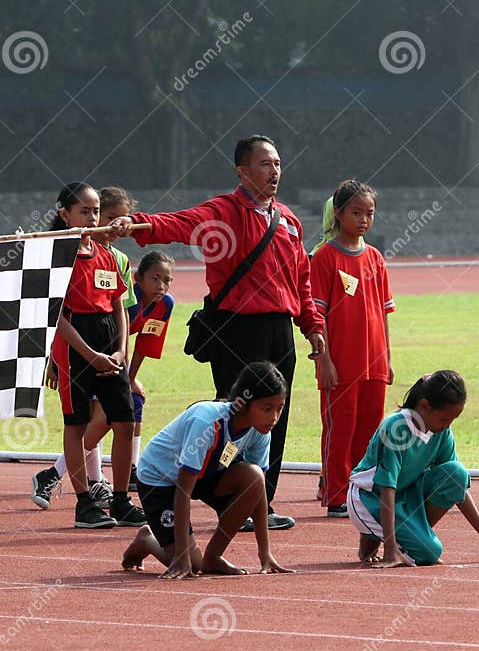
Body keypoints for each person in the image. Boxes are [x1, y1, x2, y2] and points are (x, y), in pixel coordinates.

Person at [109, 135, 326, 530]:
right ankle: (230, 500)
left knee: (274, 416)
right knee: (235, 418)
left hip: (280, 331)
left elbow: (302, 281)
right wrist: (136, 225)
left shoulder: (290, 221)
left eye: (277, 163)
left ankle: (262, 500)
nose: (274, 171)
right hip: (237, 330)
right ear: (243, 171)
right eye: (264, 164)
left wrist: (311, 326)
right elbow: (178, 223)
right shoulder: (223, 212)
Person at [122, 361, 293, 578]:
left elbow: (259, 494)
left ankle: (213, 557)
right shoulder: (206, 422)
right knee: (191, 565)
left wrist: (265, 554)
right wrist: (181, 558)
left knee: (254, 477)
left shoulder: (261, 432)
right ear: (244, 403)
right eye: (267, 408)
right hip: (162, 478)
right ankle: (147, 539)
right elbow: (182, 490)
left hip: (205, 474)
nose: (274, 417)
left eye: (279, 408)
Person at [48, 182, 144, 528]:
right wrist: (89, 355)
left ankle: (120, 500)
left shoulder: (106, 256)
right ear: (65, 215)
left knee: (124, 420)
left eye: (95, 212)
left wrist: (120, 349)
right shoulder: (58, 258)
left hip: (109, 343)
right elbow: (55, 315)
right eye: (84, 212)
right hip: (76, 347)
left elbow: (119, 305)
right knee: (75, 423)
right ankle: (84, 503)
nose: (92, 219)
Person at [347, 371, 479, 567]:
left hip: (407, 493)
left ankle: (407, 537)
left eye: (453, 420)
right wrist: (390, 550)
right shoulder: (396, 429)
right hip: (370, 498)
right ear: (425, 406)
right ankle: (378, 537)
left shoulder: (440, 431)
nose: (447, 426)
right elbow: (386, 488)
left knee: (457, 472)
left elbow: (456, 484)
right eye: (444, 419)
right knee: (429, 553)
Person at [311, 179, 395, 517]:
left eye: (369, 213)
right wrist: (324, 360)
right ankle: (335, 496)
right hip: (341, 364)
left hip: (373, 363)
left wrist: (386, 359)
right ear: (339, 213)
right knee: (339, 430)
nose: (363, 219)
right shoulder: (324, 257)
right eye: (356, 212)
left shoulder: (375, 258)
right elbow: (316, 316)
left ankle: (360, 494)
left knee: (370, 433)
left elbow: (384, 313)